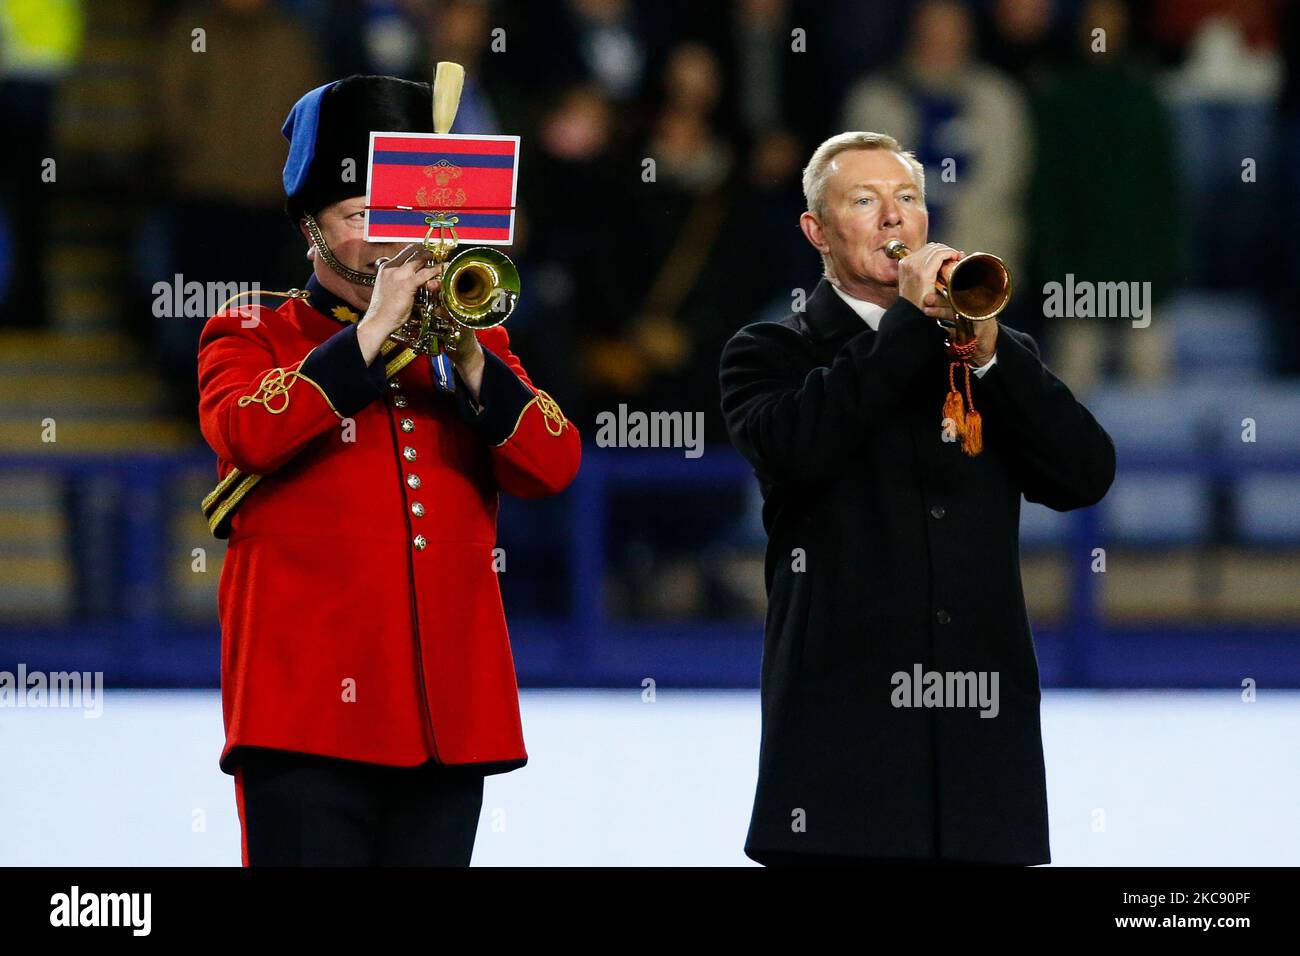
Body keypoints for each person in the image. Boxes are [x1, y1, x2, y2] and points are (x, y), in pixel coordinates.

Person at [196, 74, 581, 866]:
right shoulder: (252, 327)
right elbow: (246, 434)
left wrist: (471, 355)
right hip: (305, 719)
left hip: (447, 717)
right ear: (312, 228)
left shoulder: (475, 346)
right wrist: (370, 335)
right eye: (362, 215)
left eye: (403, 214)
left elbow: (554, 463)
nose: (390, 237)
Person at [718, 131, 1115, 866]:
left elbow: (1084, 474)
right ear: (818, 231)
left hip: (980, 747)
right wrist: (908, 321)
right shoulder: (768, 350)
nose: (894, 218)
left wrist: (995, 354)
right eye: (864, 201)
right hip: (843, 744)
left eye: (907, 200)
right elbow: (801, 448)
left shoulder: (991, 352)